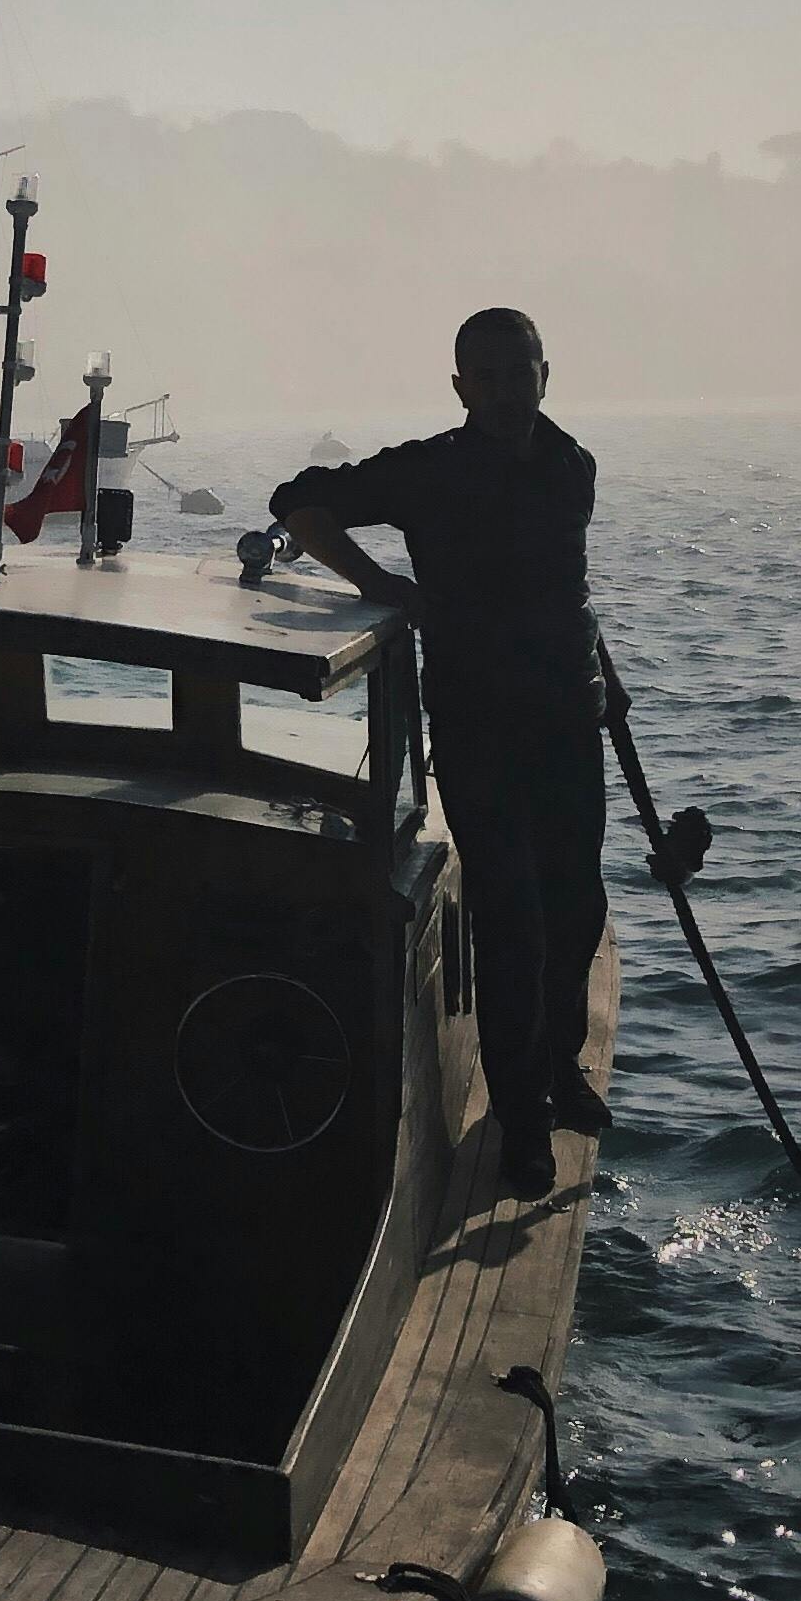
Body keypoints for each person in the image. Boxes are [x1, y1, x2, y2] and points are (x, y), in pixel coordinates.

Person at [270, 309, 609, 1195]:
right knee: (513, 922)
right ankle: (522, 1122)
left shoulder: (571, 465)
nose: (506, 392)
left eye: (520, 372)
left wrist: (604, 683)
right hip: (481, 728)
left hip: (571, 725)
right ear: (461, 388)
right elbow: (298, 502)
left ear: (545, 373)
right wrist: (378, 583)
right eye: (486, 378)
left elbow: (567, 587)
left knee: (577, 908)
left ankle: (559, 1065)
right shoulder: (428, 472)